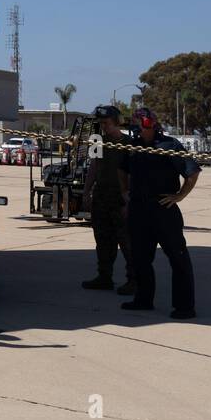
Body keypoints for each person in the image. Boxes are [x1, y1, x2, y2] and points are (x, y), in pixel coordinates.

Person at [118, 107, 200, 319]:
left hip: (164, 209)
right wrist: (125, 192)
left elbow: (192, 172)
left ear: (151, 125)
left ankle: (184, 307)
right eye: (135, 126)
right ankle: (143, 300)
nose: (137, 130)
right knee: (140, 258)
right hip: (138, 209)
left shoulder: (170, 145)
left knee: (178, 258)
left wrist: (180, 196)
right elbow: (122, 169)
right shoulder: (133, 147)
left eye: (140, 126)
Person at [81, 105, 135, 294]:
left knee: (127, 242)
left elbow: (132, 174)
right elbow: (93, 168)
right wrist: (87, 192)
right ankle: (104, 276)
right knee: (103, 240)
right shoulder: (98, 142)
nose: (103, 127)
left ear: (116, 122)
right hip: (102, 197)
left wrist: (128, 200)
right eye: (101, 123)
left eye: (106, 123)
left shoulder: (129, 144)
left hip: (120, 199)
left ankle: (133, 280)